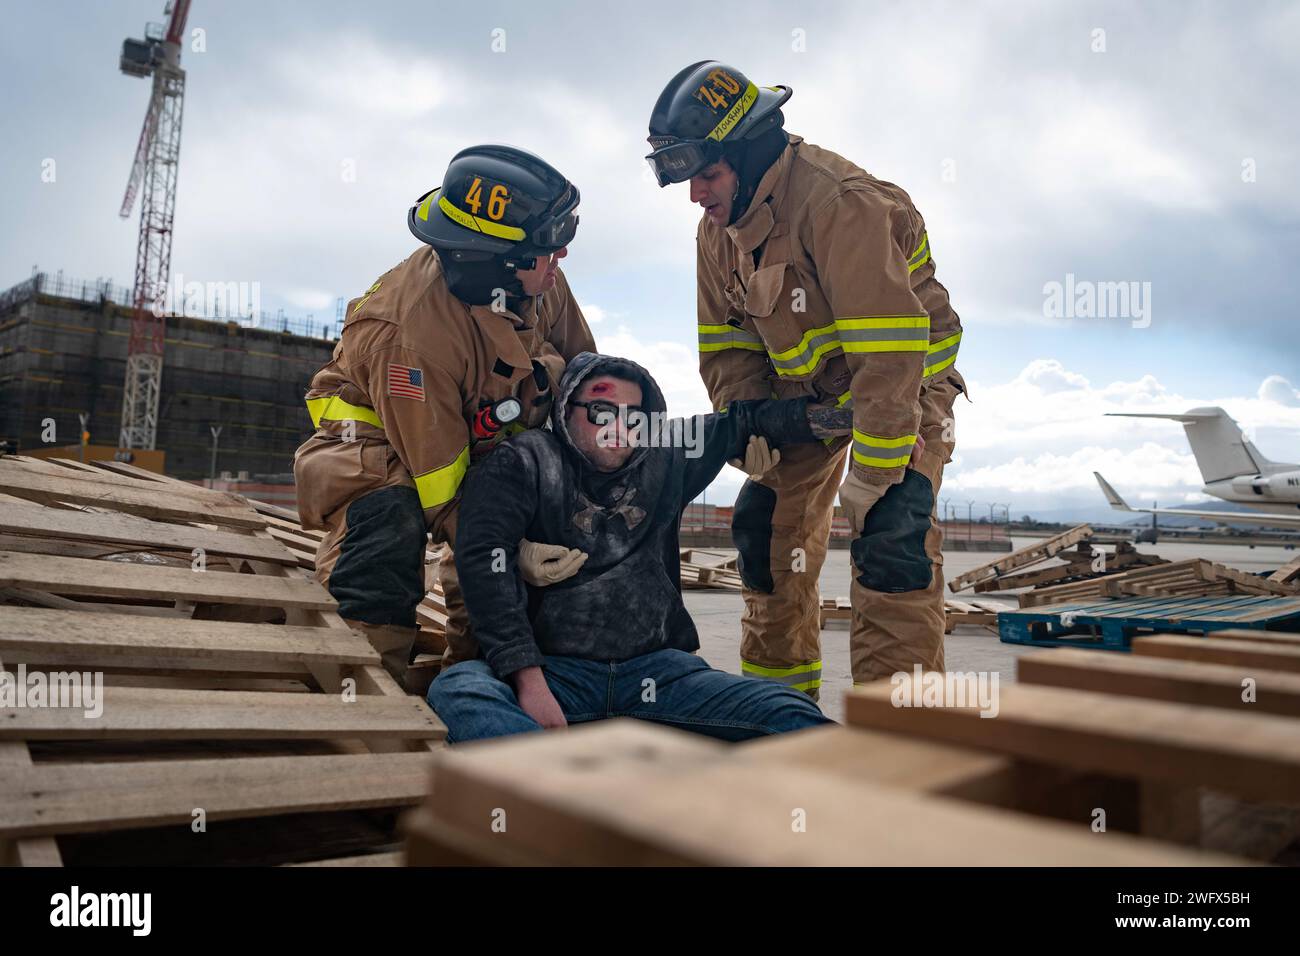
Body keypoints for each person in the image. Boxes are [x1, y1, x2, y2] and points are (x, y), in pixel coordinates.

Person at [645, 61, 967, 694]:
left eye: (706, 175)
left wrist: (876, 471)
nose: (695, 196)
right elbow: (729, 345)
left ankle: (901, 743)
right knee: (766, 536)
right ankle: (784, 720)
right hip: (806, 399)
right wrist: (750, 423)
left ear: (747, 152)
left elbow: (890, 351)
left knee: (891, 540)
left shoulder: (840, 203)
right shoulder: (718, 233)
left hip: (904, 389)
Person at [293, 145, 596, 689]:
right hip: (376, 447)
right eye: (550, 250)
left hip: (478, 437)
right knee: (386, 531)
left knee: (512, 565)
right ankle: (360, 706)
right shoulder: (408, 334)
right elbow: (442, 489)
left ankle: (476, 690)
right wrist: (509, 546)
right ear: (500, 259)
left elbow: (581, 371)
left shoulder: (536, 273)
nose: (564, 256)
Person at [427, 352, 840, 743]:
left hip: (659, 673)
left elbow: (746, 420)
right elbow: (485, 562)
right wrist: (528, 682)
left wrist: (863, 420)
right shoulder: (523, 461)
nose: (619, 427)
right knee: (460, 692)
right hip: (556, 673)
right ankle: (562, 796)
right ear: (567, 408)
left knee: (788, 709)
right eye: (603, 412)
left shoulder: (667, 453)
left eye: (635, 416)